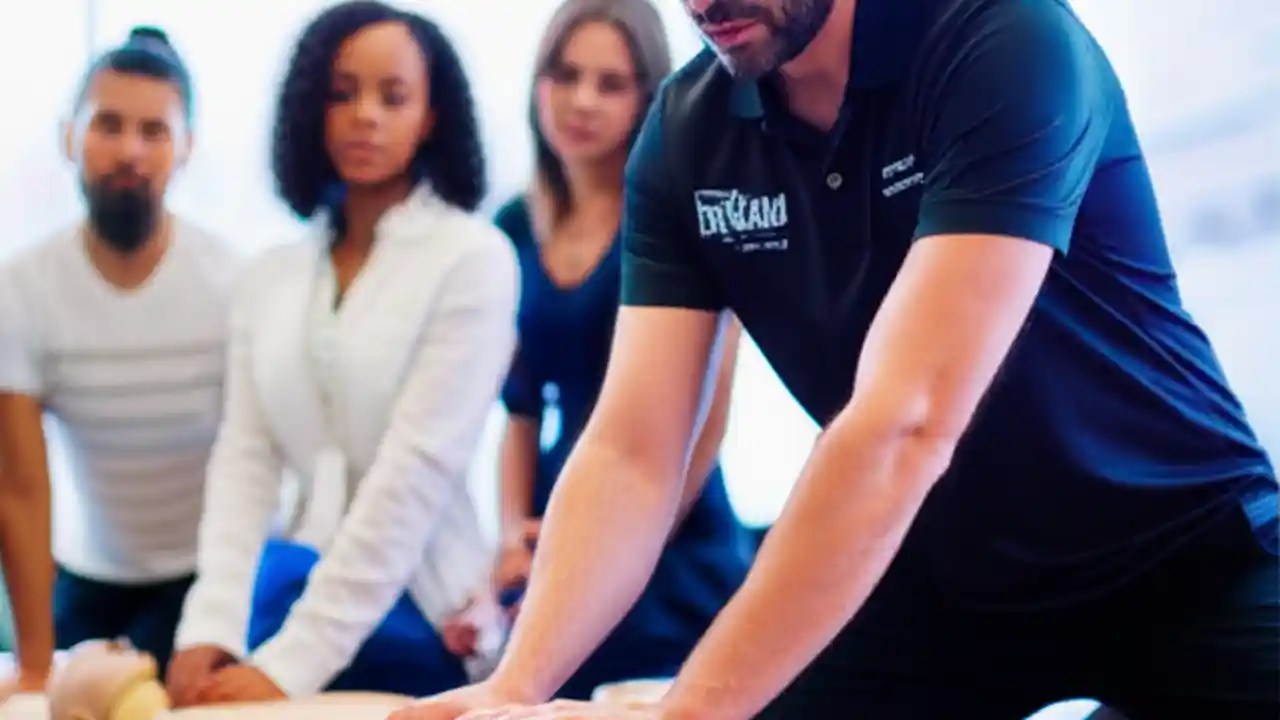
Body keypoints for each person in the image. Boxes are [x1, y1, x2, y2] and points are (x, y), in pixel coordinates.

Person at [391, 0, 1279, 718]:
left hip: (1182, 554)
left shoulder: (1005, 41)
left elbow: (905, 422)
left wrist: (694, 713)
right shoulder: (688, 134)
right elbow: (633, 449)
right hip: (932, 577)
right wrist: (518, 685)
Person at [165, 1, 517, 706]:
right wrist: (206, 631)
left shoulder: (473, 259)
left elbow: (411, 479)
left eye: (393, 97)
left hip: (426, 617)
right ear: (308, 110)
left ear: (432, 116)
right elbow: (244, 461)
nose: (365, 115)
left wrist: (286, 668)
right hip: (287, 591)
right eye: (341, 93)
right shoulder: (269, 276)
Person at [480, 0, 752, 700]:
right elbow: (517, 408)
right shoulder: (511, 226)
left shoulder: (679, 214)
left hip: (670, 525)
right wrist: (512, 536)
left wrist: (629, 544)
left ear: (649, 95)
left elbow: (708, 416)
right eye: (566, 75)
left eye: (611, 83)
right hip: (557, 512)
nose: (582, 101)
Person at [0, 27, 238, 699]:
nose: (130, 150)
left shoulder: (231, 282)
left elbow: (257, 459)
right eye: (108, 125)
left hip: (207, 582)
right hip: (88, 579)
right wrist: (37, 667)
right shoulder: (19, 288)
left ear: (185, 147)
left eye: (153, 131)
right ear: (68, 136)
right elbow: (19, 486)